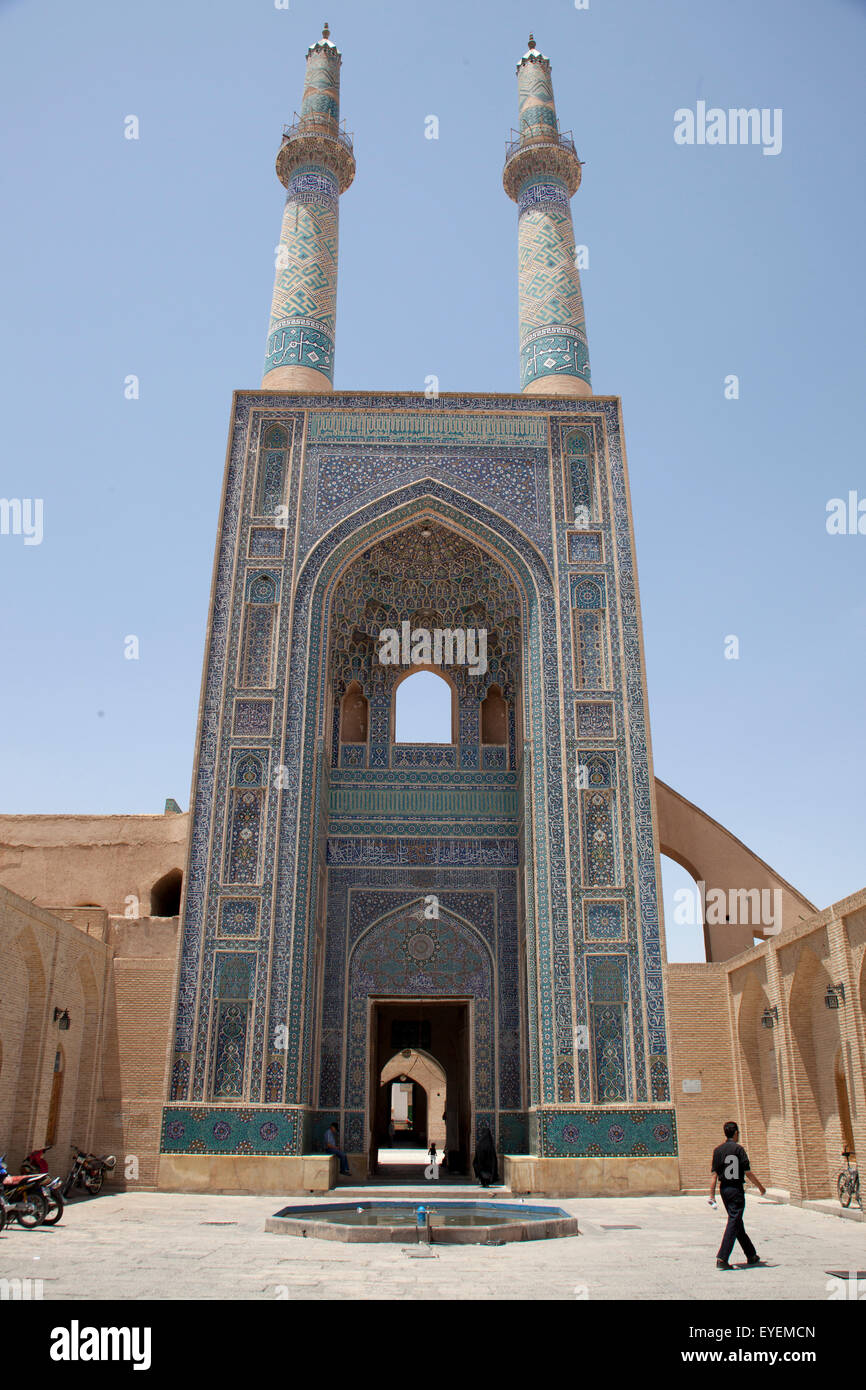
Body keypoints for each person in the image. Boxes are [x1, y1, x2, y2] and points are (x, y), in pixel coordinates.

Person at [709, 1120, 766, 1269]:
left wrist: (712, 1195)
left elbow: (714, 1175)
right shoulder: (739, 1149)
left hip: (724, 1190)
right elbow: (747, 1172)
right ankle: (722, 1257)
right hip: (736, 1189)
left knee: (736, 1221)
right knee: (734, 1221)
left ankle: (751, 1255)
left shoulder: (718, 1150)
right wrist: (761, 1187)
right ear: (735, 1133)